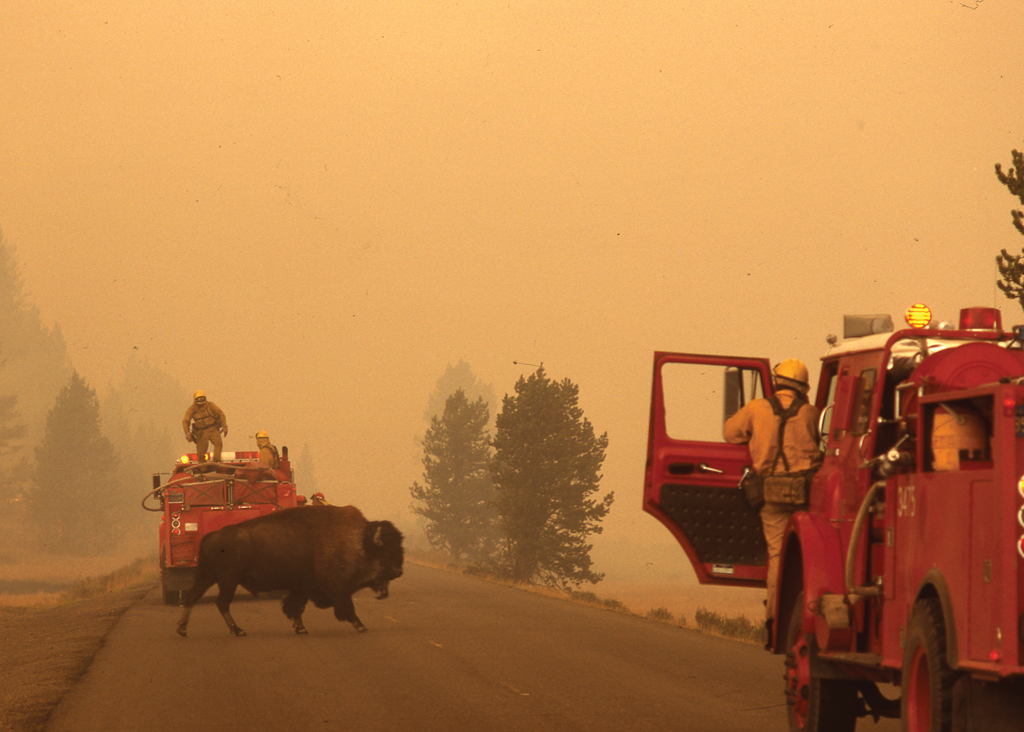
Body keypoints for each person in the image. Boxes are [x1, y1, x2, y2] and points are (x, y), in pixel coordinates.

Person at [724, 358, 823, 642]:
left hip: (770, 495)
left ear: (776, 381)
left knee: (778, 557)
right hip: (805, 495)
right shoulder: (811, 412)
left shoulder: (756, 408)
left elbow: (730, 433)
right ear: (803, 387)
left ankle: (774, 622)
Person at [182, 390, 228, 463]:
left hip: (212, 429)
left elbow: (221, 414)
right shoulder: (191, 409)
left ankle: (216, 460)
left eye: (202, 399)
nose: (201, 402)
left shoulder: (211, 405)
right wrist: (187, 432)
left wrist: (224, 426)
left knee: (218, 443)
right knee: (200, 453)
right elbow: (185, 421)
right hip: (201, 432)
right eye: (199, 399)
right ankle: (202, 468)